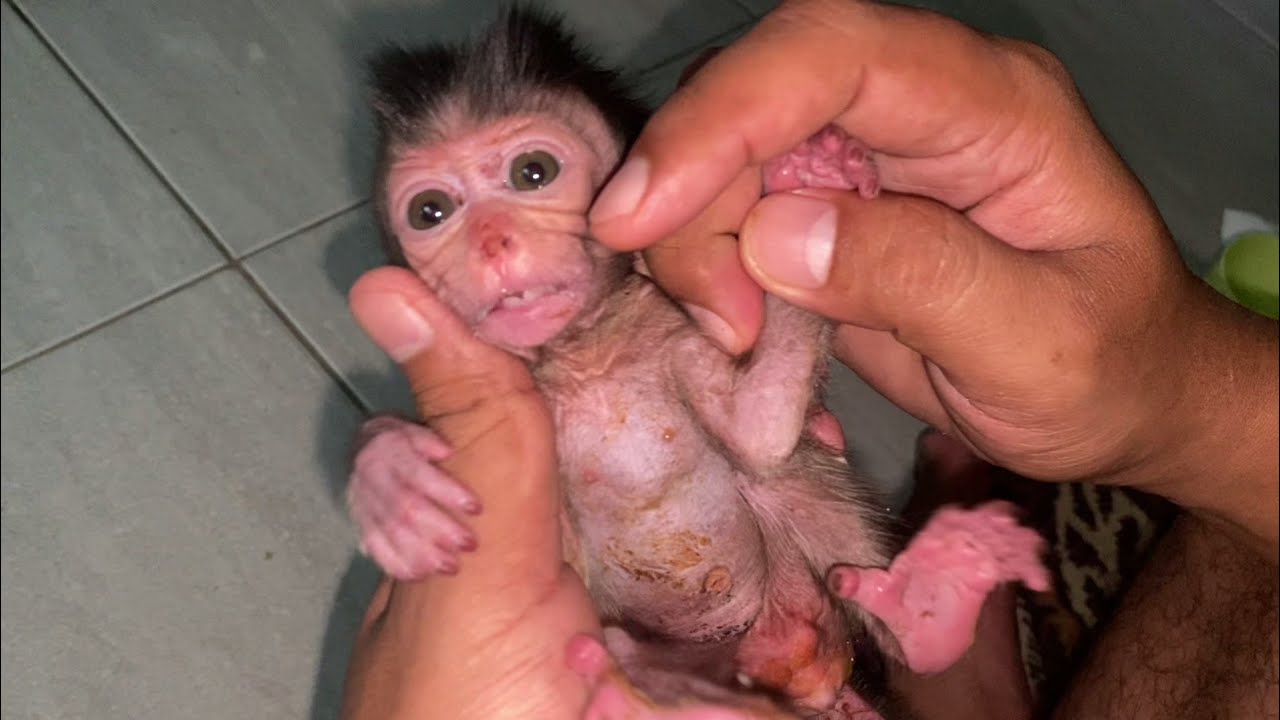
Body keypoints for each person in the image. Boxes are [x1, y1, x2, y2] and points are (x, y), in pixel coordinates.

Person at [339, 1, 1279, 718]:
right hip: (666, 661)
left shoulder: (661, 328)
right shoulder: (498, 395)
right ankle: (924, 586)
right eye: (432, 211)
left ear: (641, 189)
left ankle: (907, 594)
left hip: (789, 598)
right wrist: (386, 460)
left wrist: (795, 277)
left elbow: (761, 428)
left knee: (791, 484)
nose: (493, 241)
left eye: (533, 172)